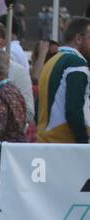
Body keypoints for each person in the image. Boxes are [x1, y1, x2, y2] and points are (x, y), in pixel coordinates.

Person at [36, 15, 89, 143]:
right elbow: (74, 110)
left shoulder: (51, 61)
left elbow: (38, 106)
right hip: (66, 145)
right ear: (78, 39)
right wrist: (83, 141)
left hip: (46, 142)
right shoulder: (76, 63)